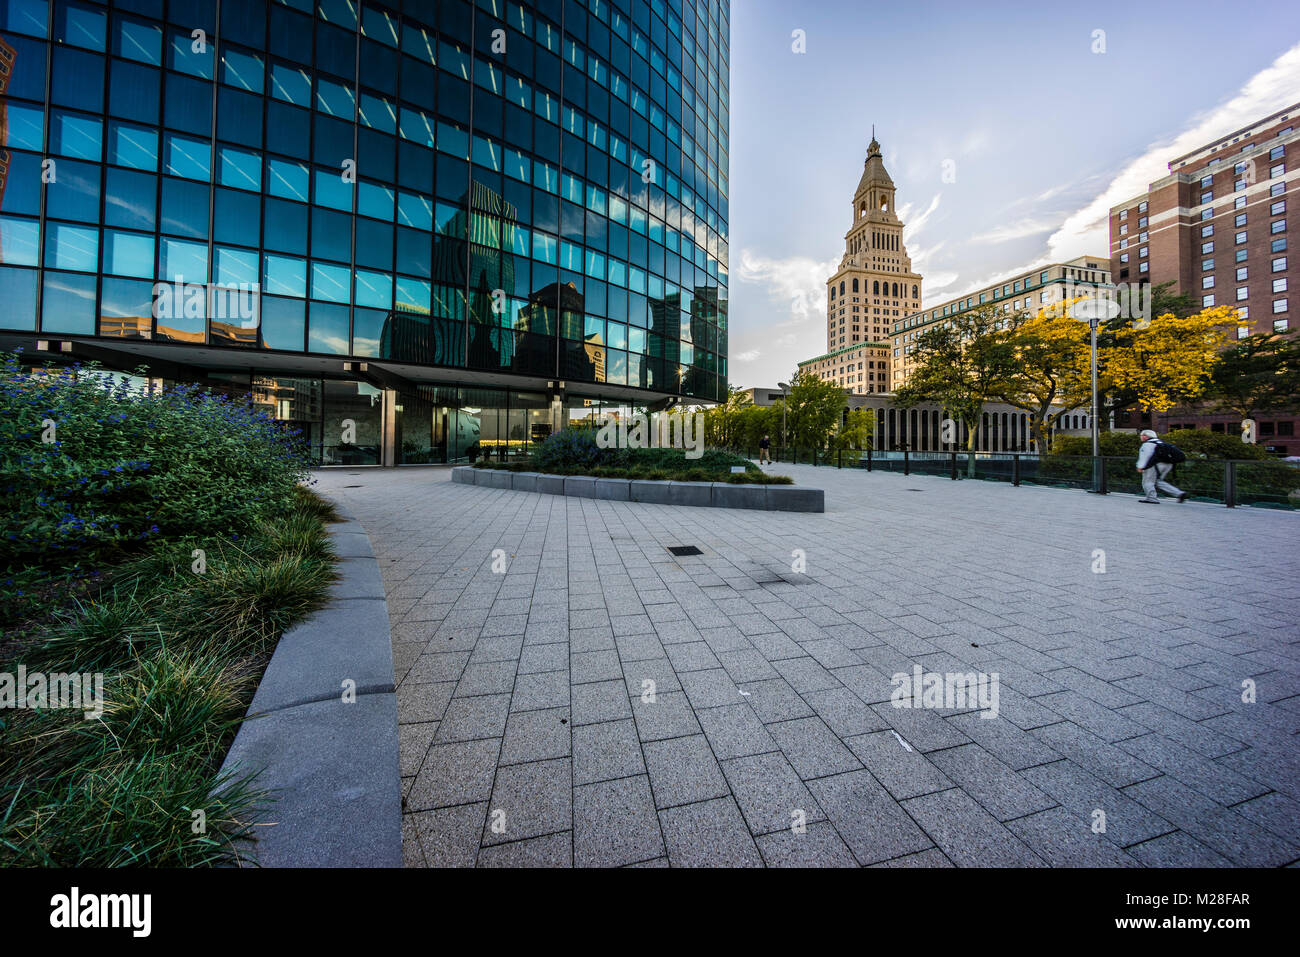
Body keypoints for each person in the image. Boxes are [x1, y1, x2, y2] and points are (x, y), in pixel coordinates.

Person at [1136, 429, 1188, 504]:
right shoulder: (1161, 442)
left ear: (1145, 436)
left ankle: (1151, 498)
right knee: (1158, 481)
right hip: (1168, 464)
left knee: (1147, 481)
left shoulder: (1147, 444)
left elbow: (1145, 457)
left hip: (1155, 465)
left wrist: (1140, 467)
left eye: (1141, 435)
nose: (1141, 437)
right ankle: (1179, 493)